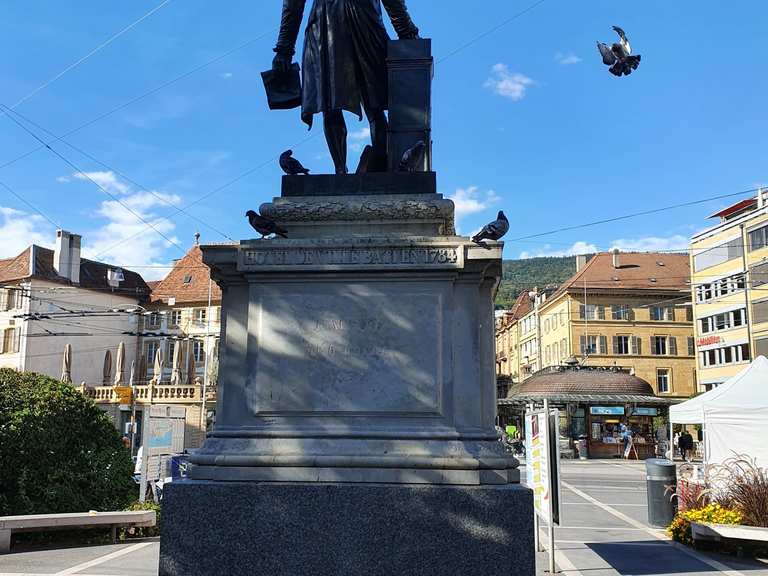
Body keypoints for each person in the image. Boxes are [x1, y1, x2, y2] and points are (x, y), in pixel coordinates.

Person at [272, 0, 420, 174]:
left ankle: (351, 170)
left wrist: (284, 49)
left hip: (341, 26)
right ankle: (348, 171)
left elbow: (293, 4)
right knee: (359, 106)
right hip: (339, 26)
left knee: (345, 105)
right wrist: (406, 31)